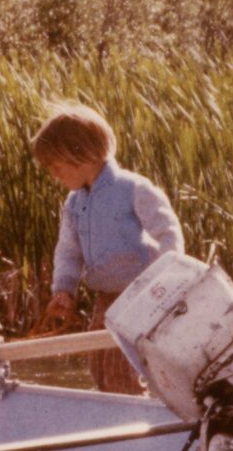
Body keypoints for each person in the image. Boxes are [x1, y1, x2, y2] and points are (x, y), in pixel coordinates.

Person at [32, 101, 185, 394]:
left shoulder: (132, 189)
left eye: (56, 167)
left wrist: (164, 282)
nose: (54, 175)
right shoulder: (75, 203)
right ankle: (116, 412)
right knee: (98, 363)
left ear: (79, 155)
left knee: (122, 368)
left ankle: (136, 419)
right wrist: (64, 290)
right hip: (105, 299)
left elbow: (168, 233)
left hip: (141, 296)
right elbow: (68, 251)